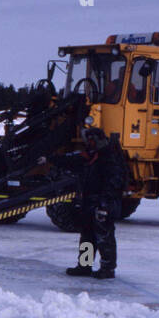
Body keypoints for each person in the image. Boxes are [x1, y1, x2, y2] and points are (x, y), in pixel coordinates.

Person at [53, 120, 128, 280]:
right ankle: (84, 265)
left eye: (90, 141)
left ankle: (107, 268)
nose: (88, 144)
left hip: (104, 204)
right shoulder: (91, 156)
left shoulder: (110, 158)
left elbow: (114, 183)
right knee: (87, 234)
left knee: (104, 235)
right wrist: (50, 160)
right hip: (89, 202)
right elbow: (72, 161)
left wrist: (105, 204)